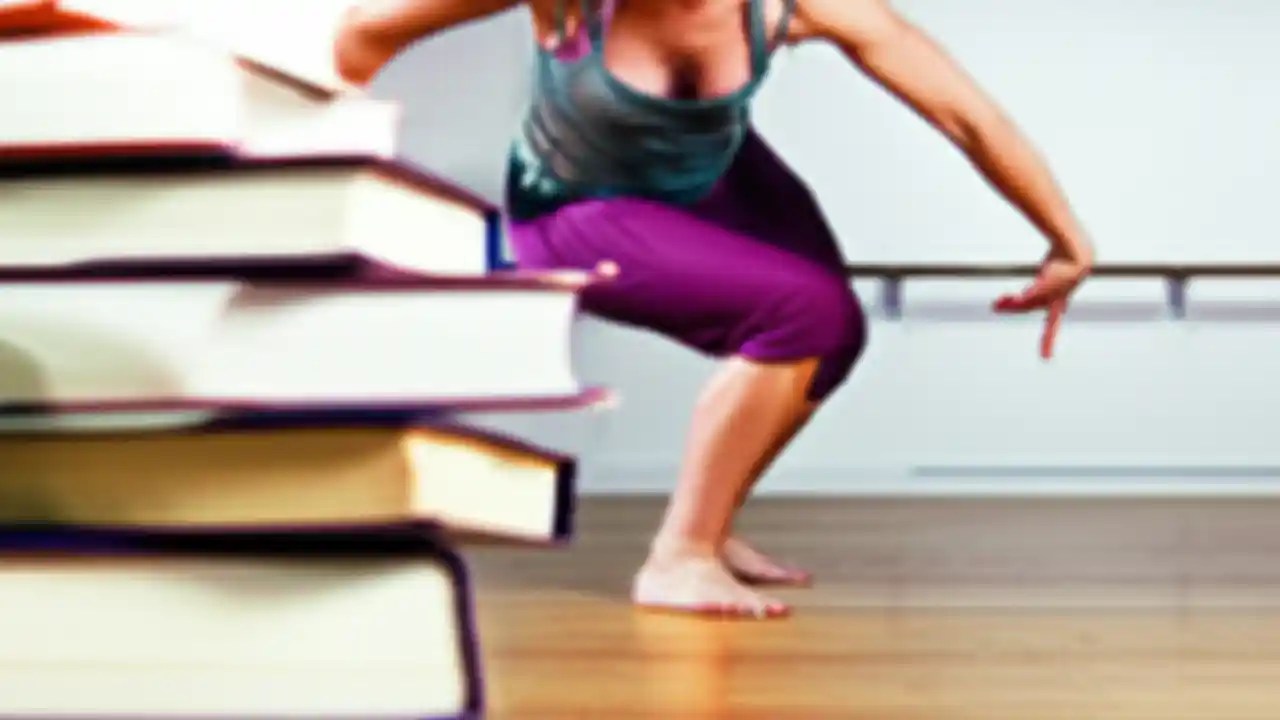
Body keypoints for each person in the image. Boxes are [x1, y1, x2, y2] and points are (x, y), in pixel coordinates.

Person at [335, 0, 1094, 619]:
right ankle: (680, 557)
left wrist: (1065, 240)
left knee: (832, 332)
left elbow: (968, 117)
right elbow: (365, 35)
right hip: (573, 210)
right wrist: (312, 176)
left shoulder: (794, 8)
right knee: (809, 313)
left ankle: (710, 526)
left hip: (719, 179)